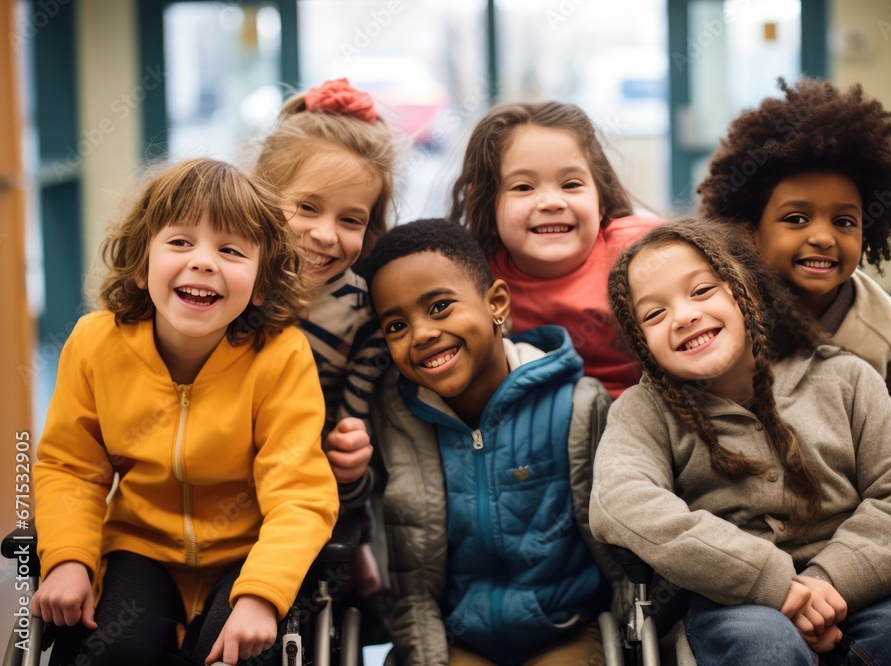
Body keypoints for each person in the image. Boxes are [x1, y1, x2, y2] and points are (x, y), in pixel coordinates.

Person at [589, 220, 891, 665]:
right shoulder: (645, 410)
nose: (684, 315)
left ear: (749, 290)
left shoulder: (843, 377)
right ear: (641, 342)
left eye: (702, 291)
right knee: (764, 649)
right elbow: (621, 501)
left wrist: (829, 581)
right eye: (654, 314)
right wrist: (772, 582)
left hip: (871, 585)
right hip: (733, 603)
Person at [30, 158, 339, 666]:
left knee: (241, 653)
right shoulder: (93, 345)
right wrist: (67, 560)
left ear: (260, 283)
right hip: (139, 548)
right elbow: (70, 468)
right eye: (179, 242)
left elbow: (300, 494)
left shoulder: (281, 356)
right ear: (140, 261)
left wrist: (261, 595)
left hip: (249, 551)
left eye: (231, 250)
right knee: (110, 650)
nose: (203, 261)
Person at [337, 218, 628, 664]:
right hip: (456, 643)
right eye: (396, 326)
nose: (422, 334)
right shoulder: (397, 420)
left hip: (570, 631)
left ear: (496, 303)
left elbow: (622, 555)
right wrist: (349, 475)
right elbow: (369, 520)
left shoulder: (578, 406)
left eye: (439, 307)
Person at [696, 77, 891, 513]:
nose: (823, 237)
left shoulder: (890, 324)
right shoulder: (721, 313)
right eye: (796, 219)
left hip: (853, 506)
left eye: (844, 222)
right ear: (751, 232)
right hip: (743, 507)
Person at [255, 77, 397, 598]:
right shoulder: (220, 285)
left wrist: (351, 466)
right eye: (307, 208)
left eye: (351, 219)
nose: (325, 234)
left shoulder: (366, 316)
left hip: (306, 501)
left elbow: (355, 427)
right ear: (263, 198)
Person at [449, 101, 660, 398]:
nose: (551, 202)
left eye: (571, 184)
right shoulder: (475, 280)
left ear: (601, 199)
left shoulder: (647, 251)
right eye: (523, 187)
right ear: (486, 203)